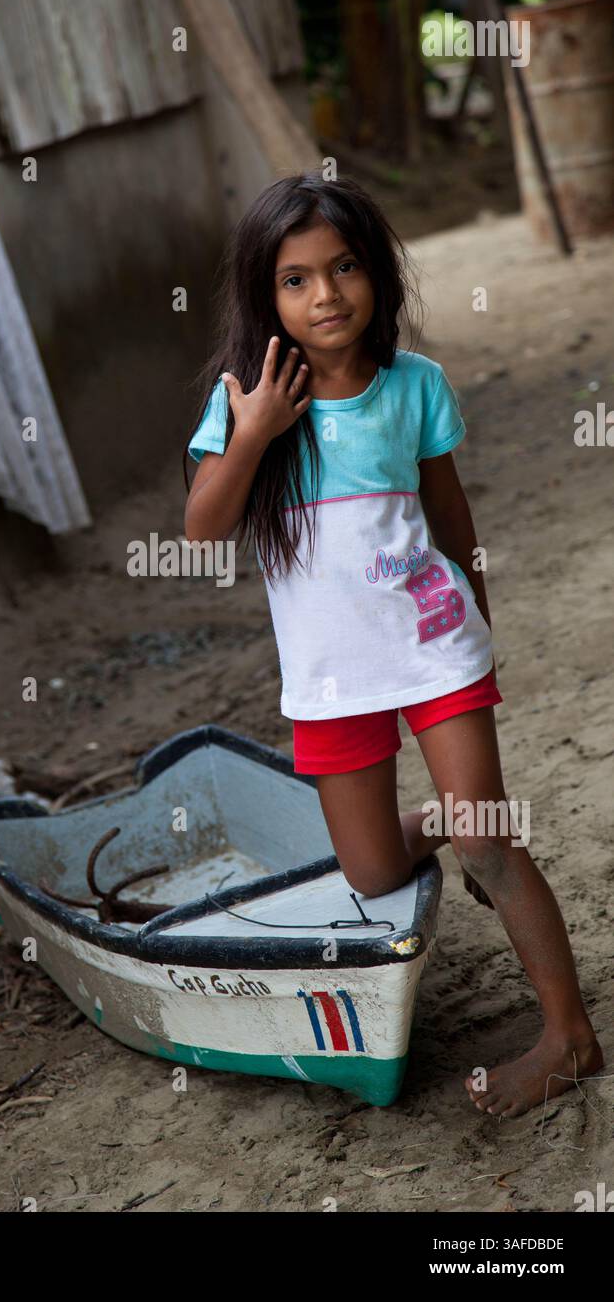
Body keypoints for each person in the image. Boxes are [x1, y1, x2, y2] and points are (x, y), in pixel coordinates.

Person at [183, 172, 602, 1118]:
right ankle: (447, 819)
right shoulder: (245, 404)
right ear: (265, 296)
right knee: (372, 871)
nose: (326, 295)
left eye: (345, 268)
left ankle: (570, 1034)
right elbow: (203, 528)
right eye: (296, 280)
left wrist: (481, 632)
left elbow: (454, 521)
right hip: (333, 679)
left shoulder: (414, 387)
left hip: (435, 645)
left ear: (377, 274)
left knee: (491, 840)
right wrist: (252, 435)